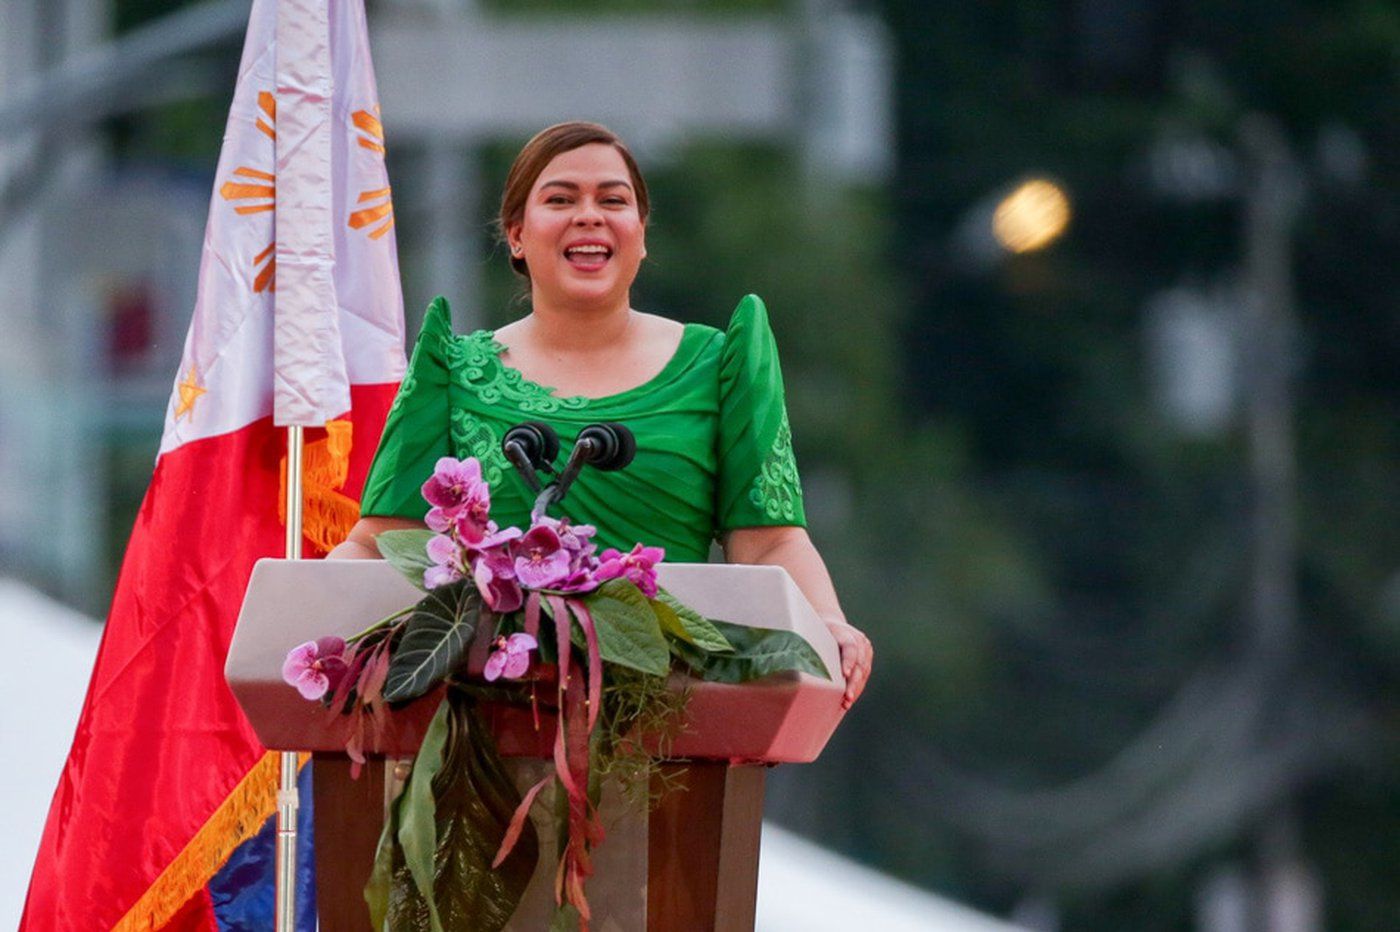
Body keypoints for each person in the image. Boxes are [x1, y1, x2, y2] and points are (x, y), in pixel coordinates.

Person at [331, 121, 872, 708]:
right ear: (516, 235)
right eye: (560, 199)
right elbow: (379, 546)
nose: (589, 215)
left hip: (674, 713)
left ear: (641, 235)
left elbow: (769, 545)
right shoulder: (452, 371)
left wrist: (828, 622)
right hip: (476, 722)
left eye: (613, 200)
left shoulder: (718, 366)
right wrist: (293, 611)